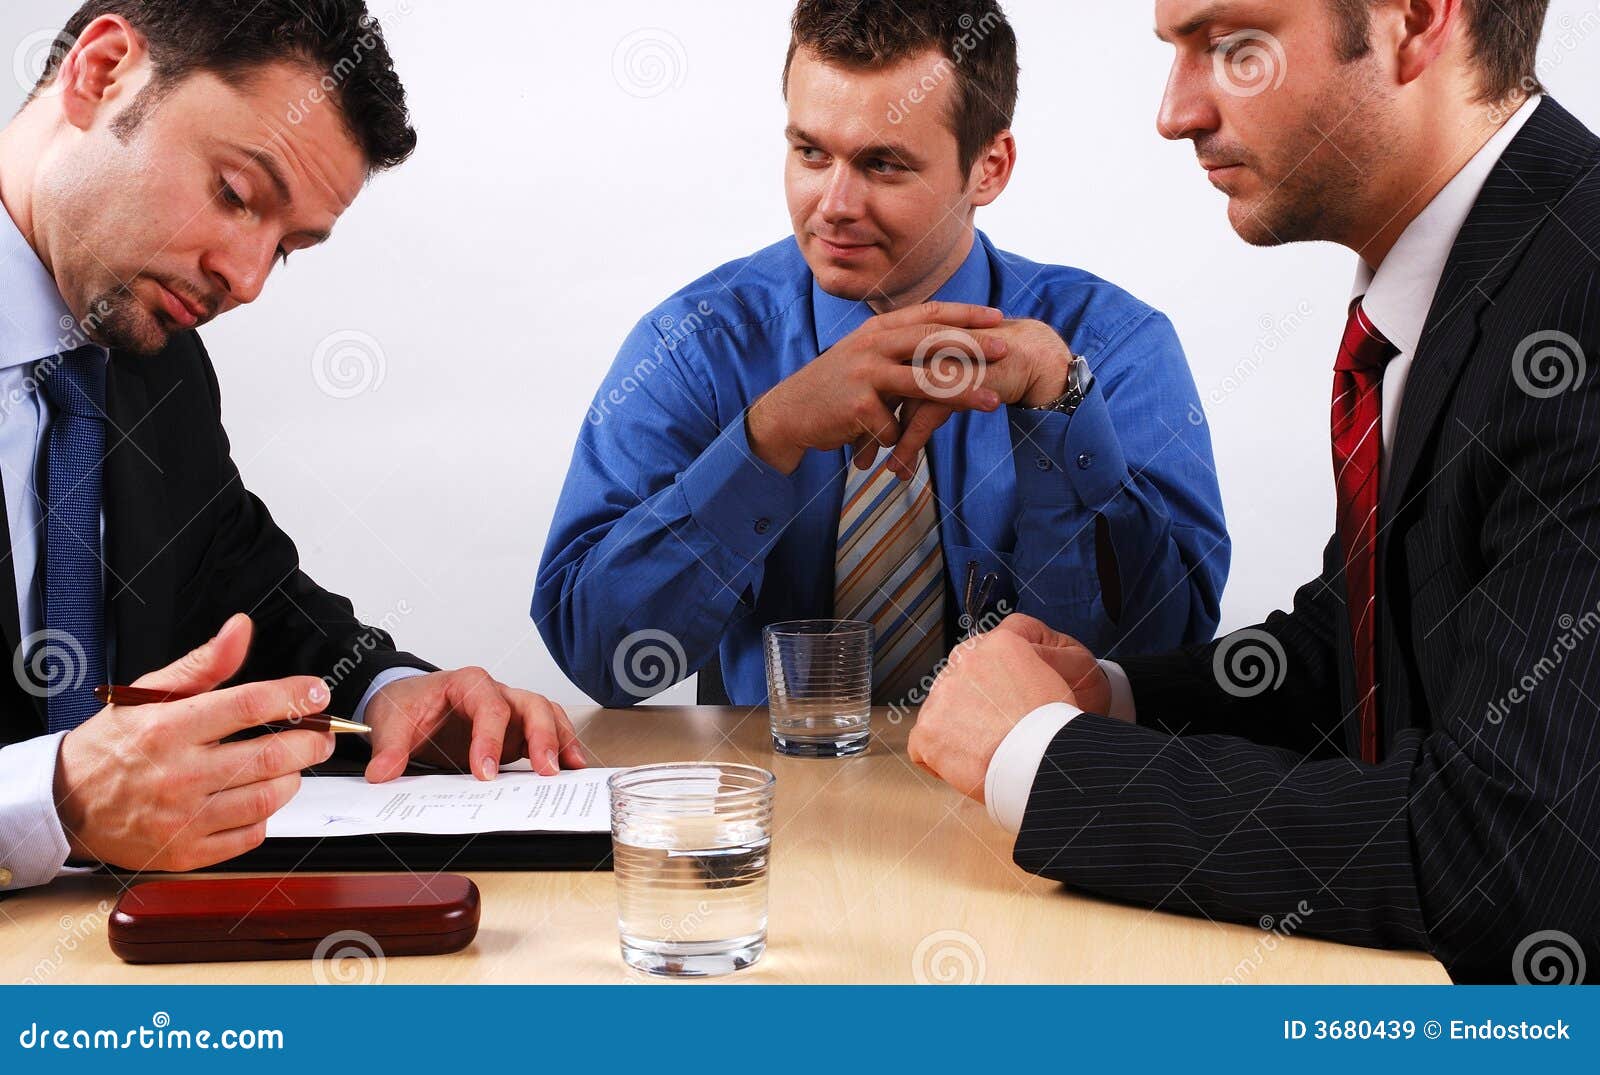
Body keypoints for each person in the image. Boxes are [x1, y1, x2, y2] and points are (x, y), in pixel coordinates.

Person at [909, 0, 1600, 982]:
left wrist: (1045, 757)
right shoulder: (1477, 270)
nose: (1173, 112)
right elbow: (1366, 640)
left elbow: (1514, 855)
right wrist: (1115, 696)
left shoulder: (1580, 302)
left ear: (1413, 19)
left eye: (1231, 46)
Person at [0, 0, 584, 894]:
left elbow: (235, 585)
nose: (244, 278)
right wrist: (49, 798)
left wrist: (383, 691)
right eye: (235, 194)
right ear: (103, 72)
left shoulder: (154, 357)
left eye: (287, 249)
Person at [535, 0, 1229, 710]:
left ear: (989, 167)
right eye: (811, 152)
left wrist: (1058, 410)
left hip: (1032, 808)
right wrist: (764, 439)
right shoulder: (691, 348)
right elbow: (601, 659)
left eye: (882, 164)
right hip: (778, 807)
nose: (833, 203)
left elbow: (1157, 660)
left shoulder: (1114, 348)